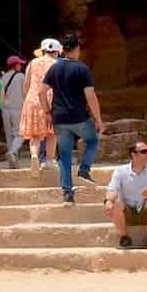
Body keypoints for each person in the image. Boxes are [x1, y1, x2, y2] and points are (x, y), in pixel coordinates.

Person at [44, 33, 104, 204]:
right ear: (77, 49)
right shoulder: (81, 68)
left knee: (64, 156)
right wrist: (98, 118)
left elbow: (42, 91)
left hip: (59, 118)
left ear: (63, 50)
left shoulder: (54, 68)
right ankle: (84, 170)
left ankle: (68, 194)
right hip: (79, 117)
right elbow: (90, 95)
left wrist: (47, 112)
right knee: (92, 141)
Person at [105, 140, 147, 249]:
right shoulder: (120, 171)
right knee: (116, 201)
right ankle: (124, 237)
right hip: (128, 212)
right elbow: (113, 189)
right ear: (133, 154)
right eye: (144, 151)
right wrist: (109, 201)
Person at [19, 39, 60, 170]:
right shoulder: (57, 64)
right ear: (56, 52)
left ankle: (34, 156)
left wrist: (27, 100)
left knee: (35, 135)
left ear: (43, 50)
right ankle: (49, 160)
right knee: (51, 133)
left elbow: (26, 84)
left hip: (32, 99)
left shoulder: (32, 63)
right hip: (50, 100)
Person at [0, 55, 28, 164]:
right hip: (18, 108)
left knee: (8, 134)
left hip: (5, 109)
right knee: (20, 133)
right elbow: (25, 92)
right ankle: (13, 151)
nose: (21, 66)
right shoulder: (21, 76)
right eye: (19, 64)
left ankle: (12, 161)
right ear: (15, 65)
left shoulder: (3, 77)